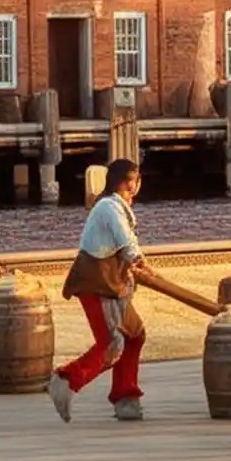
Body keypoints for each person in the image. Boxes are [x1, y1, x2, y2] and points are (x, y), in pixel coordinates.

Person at [48, 158, 153, 423]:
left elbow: (126, 245)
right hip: (96, 283)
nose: (135, 185)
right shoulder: (108, 207)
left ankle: (126, 397)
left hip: (113, 285)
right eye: (132, 179)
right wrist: (139, 261)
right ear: (123, 182)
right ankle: (65, 379)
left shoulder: (120, 207)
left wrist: (137, 265)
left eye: (136, 179)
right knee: (112, 345)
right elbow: (125, 241)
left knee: (135, 335)